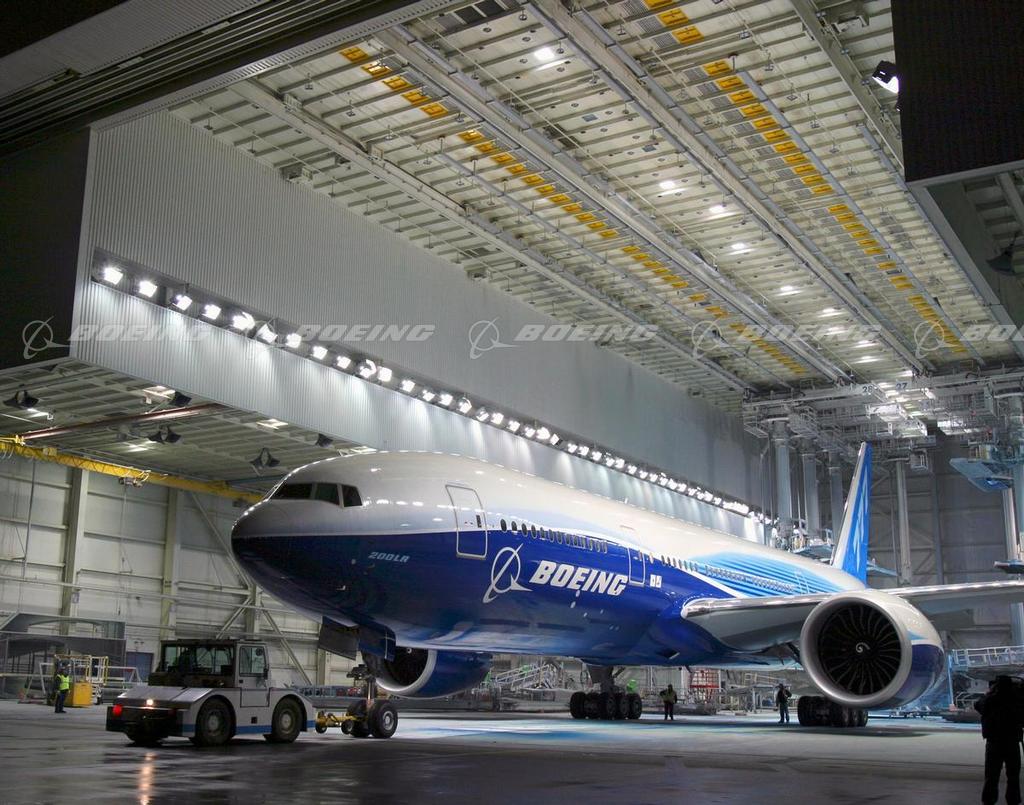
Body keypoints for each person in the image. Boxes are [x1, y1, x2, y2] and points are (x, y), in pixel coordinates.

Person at [975, 675, 1023, 805]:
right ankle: (1013, 800)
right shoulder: (1017, 700)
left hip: (994, 742)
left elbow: (978, 705)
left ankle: (989, 800)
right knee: (1013, 776)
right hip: (1012, 742)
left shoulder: (990, 700)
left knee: (991, 776)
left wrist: (990, 693)